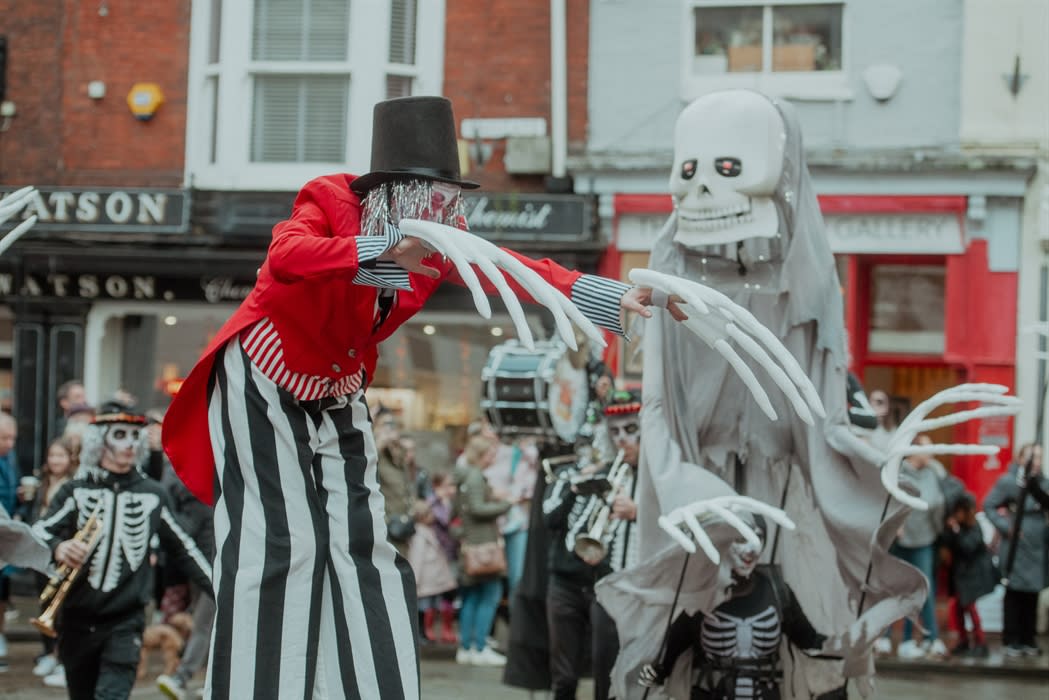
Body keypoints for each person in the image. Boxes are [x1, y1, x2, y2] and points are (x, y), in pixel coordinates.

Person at [161, 95, 671, 700]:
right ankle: (259, 686)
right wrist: (378, 250)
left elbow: (506, 268)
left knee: (363, 542)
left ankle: (367, 685)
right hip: (264, 371)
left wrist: (606, 298)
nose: (445, 211)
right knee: (279, 544)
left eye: (449, 198)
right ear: (393, 194)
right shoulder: (330, 200)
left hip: (338, 389)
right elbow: (286, 257)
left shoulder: (438, 242)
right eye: (432, 196)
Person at [31, 406, 213, 700]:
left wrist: (222, 591)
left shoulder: (153, 494)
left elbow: (184, 549)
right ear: (99, 441)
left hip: (125, 622)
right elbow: (39, 531)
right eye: (119, 436)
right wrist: (59, 547)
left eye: (134, 436)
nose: (129, 444)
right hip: (77, 620)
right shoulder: (76, 490)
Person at [638, 516, 839, 700]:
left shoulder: (778, 591)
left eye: (757, 539)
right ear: (724, 542)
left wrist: (852, 644)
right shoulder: (703, 594)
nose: (750, 549)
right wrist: (658, 671)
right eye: (741, 539)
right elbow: (673, 647)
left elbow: (810, 641)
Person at [542, 391, 641, 700]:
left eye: (630, 431)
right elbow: (552, 519)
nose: (622, 440)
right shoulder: (581, 475)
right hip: (566, 582)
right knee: (565, 676)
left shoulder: (645, 477)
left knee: (605, 668)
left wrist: (637, 512)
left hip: (607, 583)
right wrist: (575, 485)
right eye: (614, 433)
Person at [151, 408, 217, 700]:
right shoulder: (181, 467)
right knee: (204, 622)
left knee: (205, 621)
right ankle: (194, 676)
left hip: (215, 557)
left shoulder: (211, 460)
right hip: (202, 559)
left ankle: (184, 676)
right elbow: (172, 514)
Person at [877, 434, 948, 659]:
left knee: (922, 589)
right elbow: (886, 500)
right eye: (928, 448)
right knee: (894, 588)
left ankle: (924, 639)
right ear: (914, 449)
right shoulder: (898, 471)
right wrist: (894, 523)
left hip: (924, 540)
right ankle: (884, 638)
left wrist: (937, 533)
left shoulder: (932, 474)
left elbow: (938, 505)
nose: (932, 452)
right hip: (898, 540)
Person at [983, 442, 1048, 657]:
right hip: (1016, 546)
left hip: (1038, 545)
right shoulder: (1009, 482)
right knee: (1014, 591)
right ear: (1021, 459)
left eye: (1039, 457)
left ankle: (1028, 639)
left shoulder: (1043, 484)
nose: (1036, 461)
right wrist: (1005, 528)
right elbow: (989, 504)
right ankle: (1011, 639)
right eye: (1032, 457)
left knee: (1032, 592)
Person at [453, 435, 513, 666]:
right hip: (484, 546)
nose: (493, 457)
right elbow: (478, 508)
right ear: (481, 455)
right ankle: (479, 647)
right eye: (490, 454)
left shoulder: (464, 477)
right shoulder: (476, 477)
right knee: (489, 595)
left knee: (471, 596)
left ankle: (466, 646)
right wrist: (505, 504)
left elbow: (458, 511)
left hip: (470, 545)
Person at [27, 436, 80, 680]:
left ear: (71, 458)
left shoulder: (74, 486)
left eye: (61, 455)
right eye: (52, 456)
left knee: (64, 607)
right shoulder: (42, 483)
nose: (55, 460)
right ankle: (49, 653)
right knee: (45, 603)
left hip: (63, 551)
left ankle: (62, 657)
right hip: (41, 551)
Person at [940, 491, 997, 657]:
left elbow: (968, 547)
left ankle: (980, 642)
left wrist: (956, 530)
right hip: (960, 577)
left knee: (971, 610)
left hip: (972, 578)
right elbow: (947, 542)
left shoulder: (973, 528)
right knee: (958, 609)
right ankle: (963, 640)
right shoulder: (958, 528)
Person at [0, 411, 21, 669]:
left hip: (6, 533)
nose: (10, 443)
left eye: (13, 438)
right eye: (4, 438)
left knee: (3, 591)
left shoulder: (10, 458)